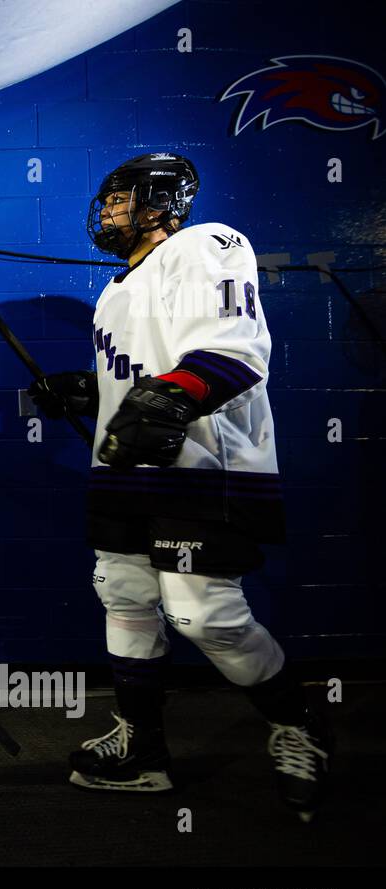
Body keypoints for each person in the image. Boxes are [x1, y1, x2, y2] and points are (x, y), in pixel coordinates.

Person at [29, 152, 329, 821]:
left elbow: (234, 352)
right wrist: (88, 391)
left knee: (204, 615)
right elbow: (143, 375)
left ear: (159, 202)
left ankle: (298, 724)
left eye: (118, 199)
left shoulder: (205, 245)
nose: (106, 211)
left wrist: (167, 400)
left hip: (202, 466)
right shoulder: (115, 291)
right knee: (125, 596)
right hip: (124, 475)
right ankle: (142, 749)